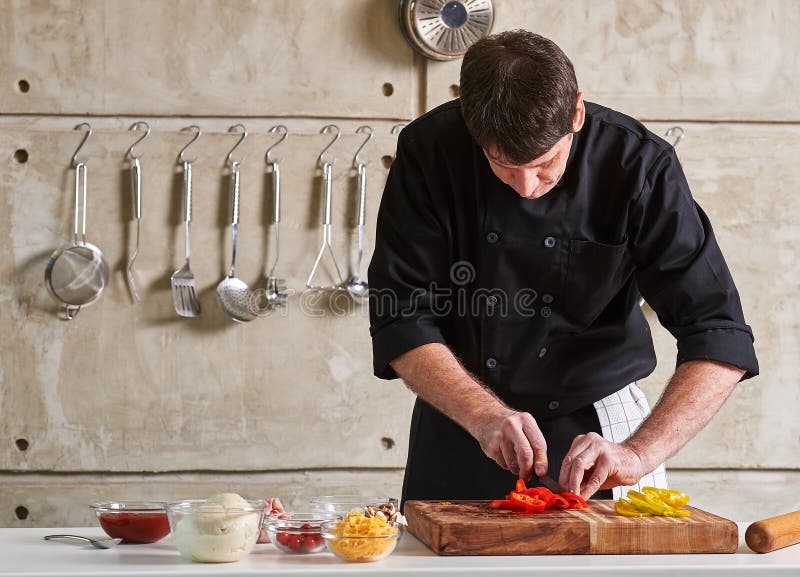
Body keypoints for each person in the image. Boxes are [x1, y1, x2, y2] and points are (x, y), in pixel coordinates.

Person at [367, 30, 759, 504]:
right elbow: (401, 315)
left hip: (604, 435)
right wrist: (482, 414)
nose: (527, 187)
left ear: (576, 113)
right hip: (464, 422)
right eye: (502, 166)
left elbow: (718, 332)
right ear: (472, 127)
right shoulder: (429, 151)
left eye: (545, 163)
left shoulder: (638, 164)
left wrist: (638, 453)